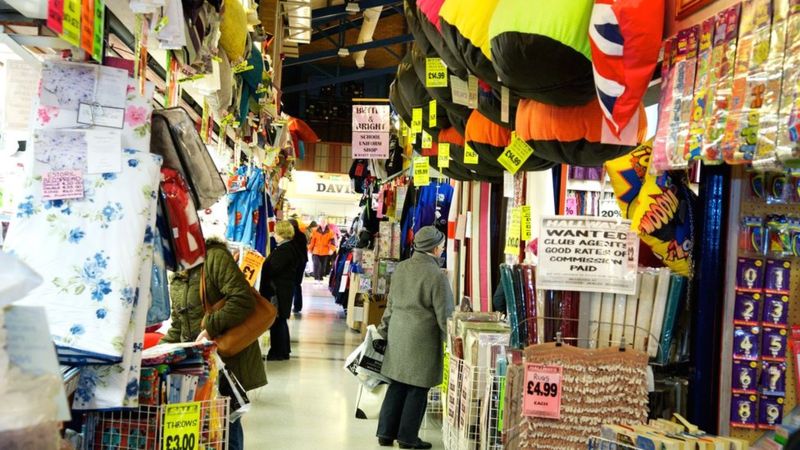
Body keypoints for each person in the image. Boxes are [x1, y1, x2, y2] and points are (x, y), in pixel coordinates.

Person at [161, 238, 267, 450]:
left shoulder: (214, 256)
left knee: (227, 424)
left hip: (228, 359)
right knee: (209, 430)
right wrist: (158, 352)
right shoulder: (177, 275)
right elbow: (179, 325)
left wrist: (210, 327)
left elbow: (242, 299)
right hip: (199, 364)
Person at [376, 226, 454, 449]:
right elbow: (445, 313)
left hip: (398, 332)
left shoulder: (401, 268)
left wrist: (383, 330)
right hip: (422, 337)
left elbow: (390, 304)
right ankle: (408, 438)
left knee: (397, 383)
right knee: (418, 388)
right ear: (435, 248)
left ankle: (385, 433)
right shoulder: (436, 275)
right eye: (442, 246)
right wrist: (452, 341)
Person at [260, 221, 301, 360]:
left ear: (282, 233)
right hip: (282, 289)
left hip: (278, 290)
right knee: (280, 321)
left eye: (276, 232)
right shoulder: (288, 247)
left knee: (277, 321)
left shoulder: (285, 249)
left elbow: (273, 268)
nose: (274, 234)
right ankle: (283, 350)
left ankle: (278, 352)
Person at [288, 219, 309, 314]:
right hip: (302, 262)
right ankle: (297, 306)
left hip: (293, 262)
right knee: (297, 284)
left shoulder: (290, 235)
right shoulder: (302, 235)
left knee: (290, 283)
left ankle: (288, 305)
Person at [308, 217, 336, 282]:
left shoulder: (330, 232)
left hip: (325, 252)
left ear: (326, 223)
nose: (323, 223)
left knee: (323, 266)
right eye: (321, 221)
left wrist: (331, 249)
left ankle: (320, 278)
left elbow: (332, 242)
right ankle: (316, 278)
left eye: (324, 221)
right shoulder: (315, 231)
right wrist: (309, 249)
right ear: (319, 222)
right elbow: (311, 241)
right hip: (316, 251)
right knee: (316, 264)